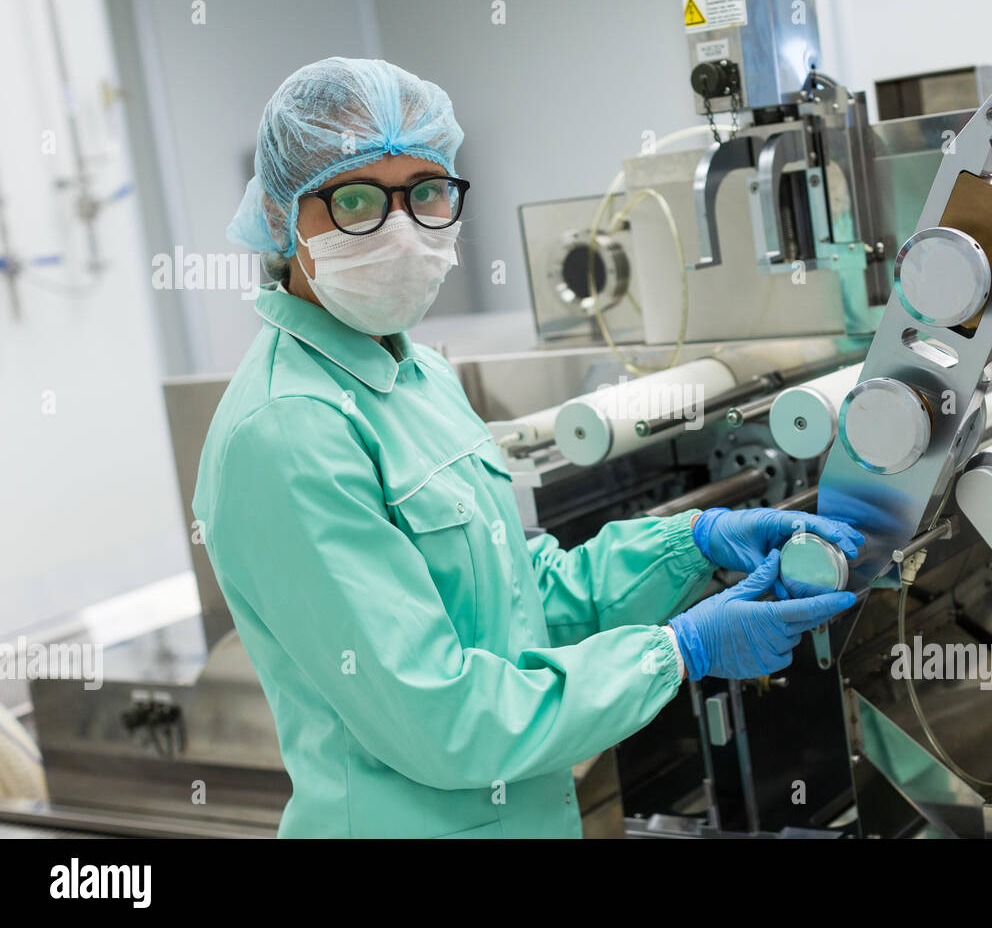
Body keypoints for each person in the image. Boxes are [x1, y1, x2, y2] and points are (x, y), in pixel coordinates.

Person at [192, 57, 863, 838]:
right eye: (356, 200)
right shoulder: (288, 431)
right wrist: (677, 651)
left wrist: (687, 546)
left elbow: (517, 597)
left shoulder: (414, 373)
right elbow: (439, 717)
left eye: (429, 192)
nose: (403, 228)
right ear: (282, 217)